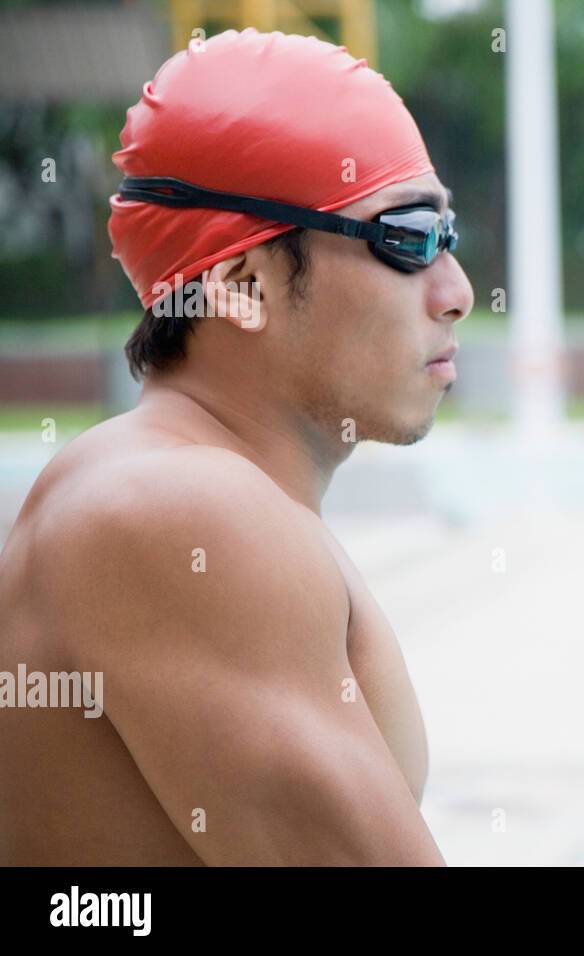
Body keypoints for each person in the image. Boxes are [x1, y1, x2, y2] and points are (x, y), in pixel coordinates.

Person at [0, 30, 468, 864]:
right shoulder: (177, 513)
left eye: (450, 235)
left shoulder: (205, 493)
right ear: (244, 287)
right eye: (407, 238)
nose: (457, 291)